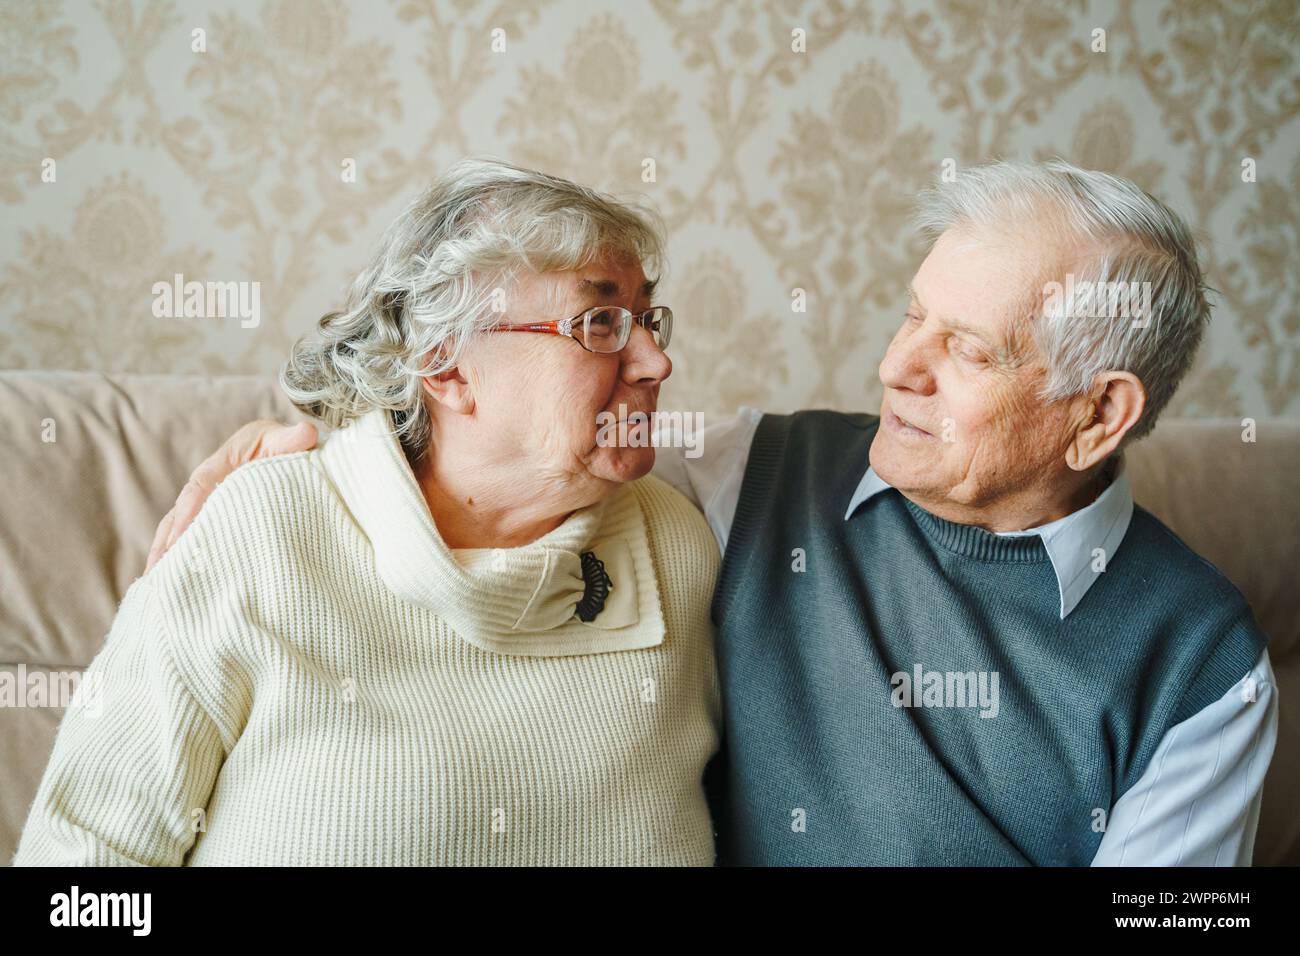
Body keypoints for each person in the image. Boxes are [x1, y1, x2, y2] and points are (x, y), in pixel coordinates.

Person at [144, 160, 1278, 866]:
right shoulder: (755, 479)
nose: (897, 367)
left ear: (1098, 416)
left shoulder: (1204, 663)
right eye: (910, 316)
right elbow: (510, 439)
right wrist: (300, 443)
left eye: (964, 350)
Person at [15, 159, 721, 866]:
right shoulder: (263, 534)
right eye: (601, 321)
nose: (654, 361)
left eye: (646, 320)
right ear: (445, 365)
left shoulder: (680, 547)